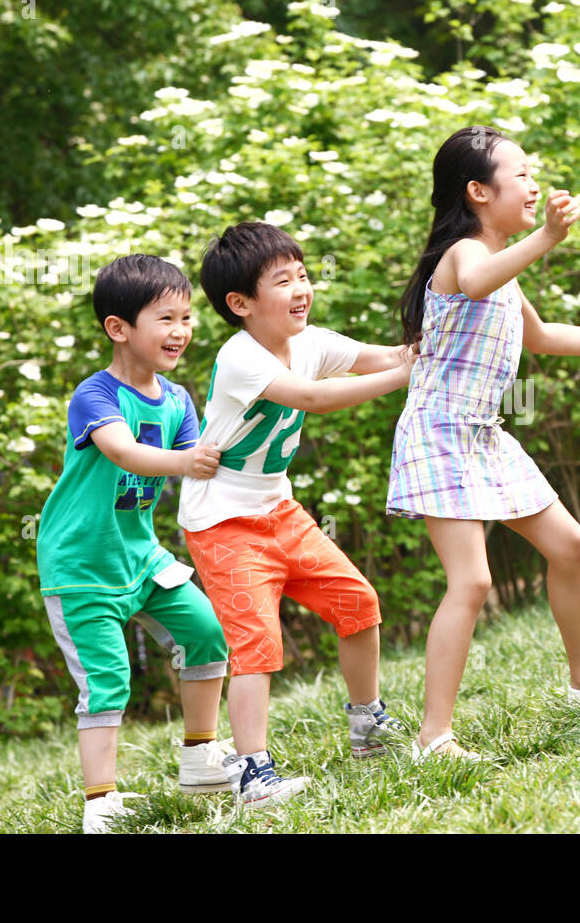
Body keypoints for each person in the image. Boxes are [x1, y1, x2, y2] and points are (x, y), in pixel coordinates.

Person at [389, 127, 580, 760]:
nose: (533, 184)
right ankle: (433, 738)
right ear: (477, 191)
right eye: (519, 174)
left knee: (569, 543)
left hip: (483, 436)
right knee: (470, 582)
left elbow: (542, 338)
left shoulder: (502, 266)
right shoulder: (465, 254)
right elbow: (473, 284)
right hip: (438, 435)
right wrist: (546, 237)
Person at [180, 221, 414, 809]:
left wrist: (432, 343)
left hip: (279, 508)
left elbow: (381, 355)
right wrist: (405, 376)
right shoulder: (241, 356)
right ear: (241, 305)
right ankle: (253, 773)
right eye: (283, 281)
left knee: (357, 604)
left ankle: (368, 725)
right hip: (223, 522)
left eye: (303, 275)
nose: (302, 288)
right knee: (256, 643)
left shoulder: (309, 341)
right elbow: (313, 397)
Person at [36, 254, 230, 834]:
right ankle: (101, 803)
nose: (181, 331)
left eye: (187, 318)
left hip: (141, 556)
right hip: (82, 566)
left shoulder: (176, 401)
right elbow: (125, 452)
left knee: (207, 633)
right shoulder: (95, 395)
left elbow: (206, 470)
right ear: (118, 328)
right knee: (108, 680)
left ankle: (200, 758)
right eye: (165, 319)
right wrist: (185, 462)